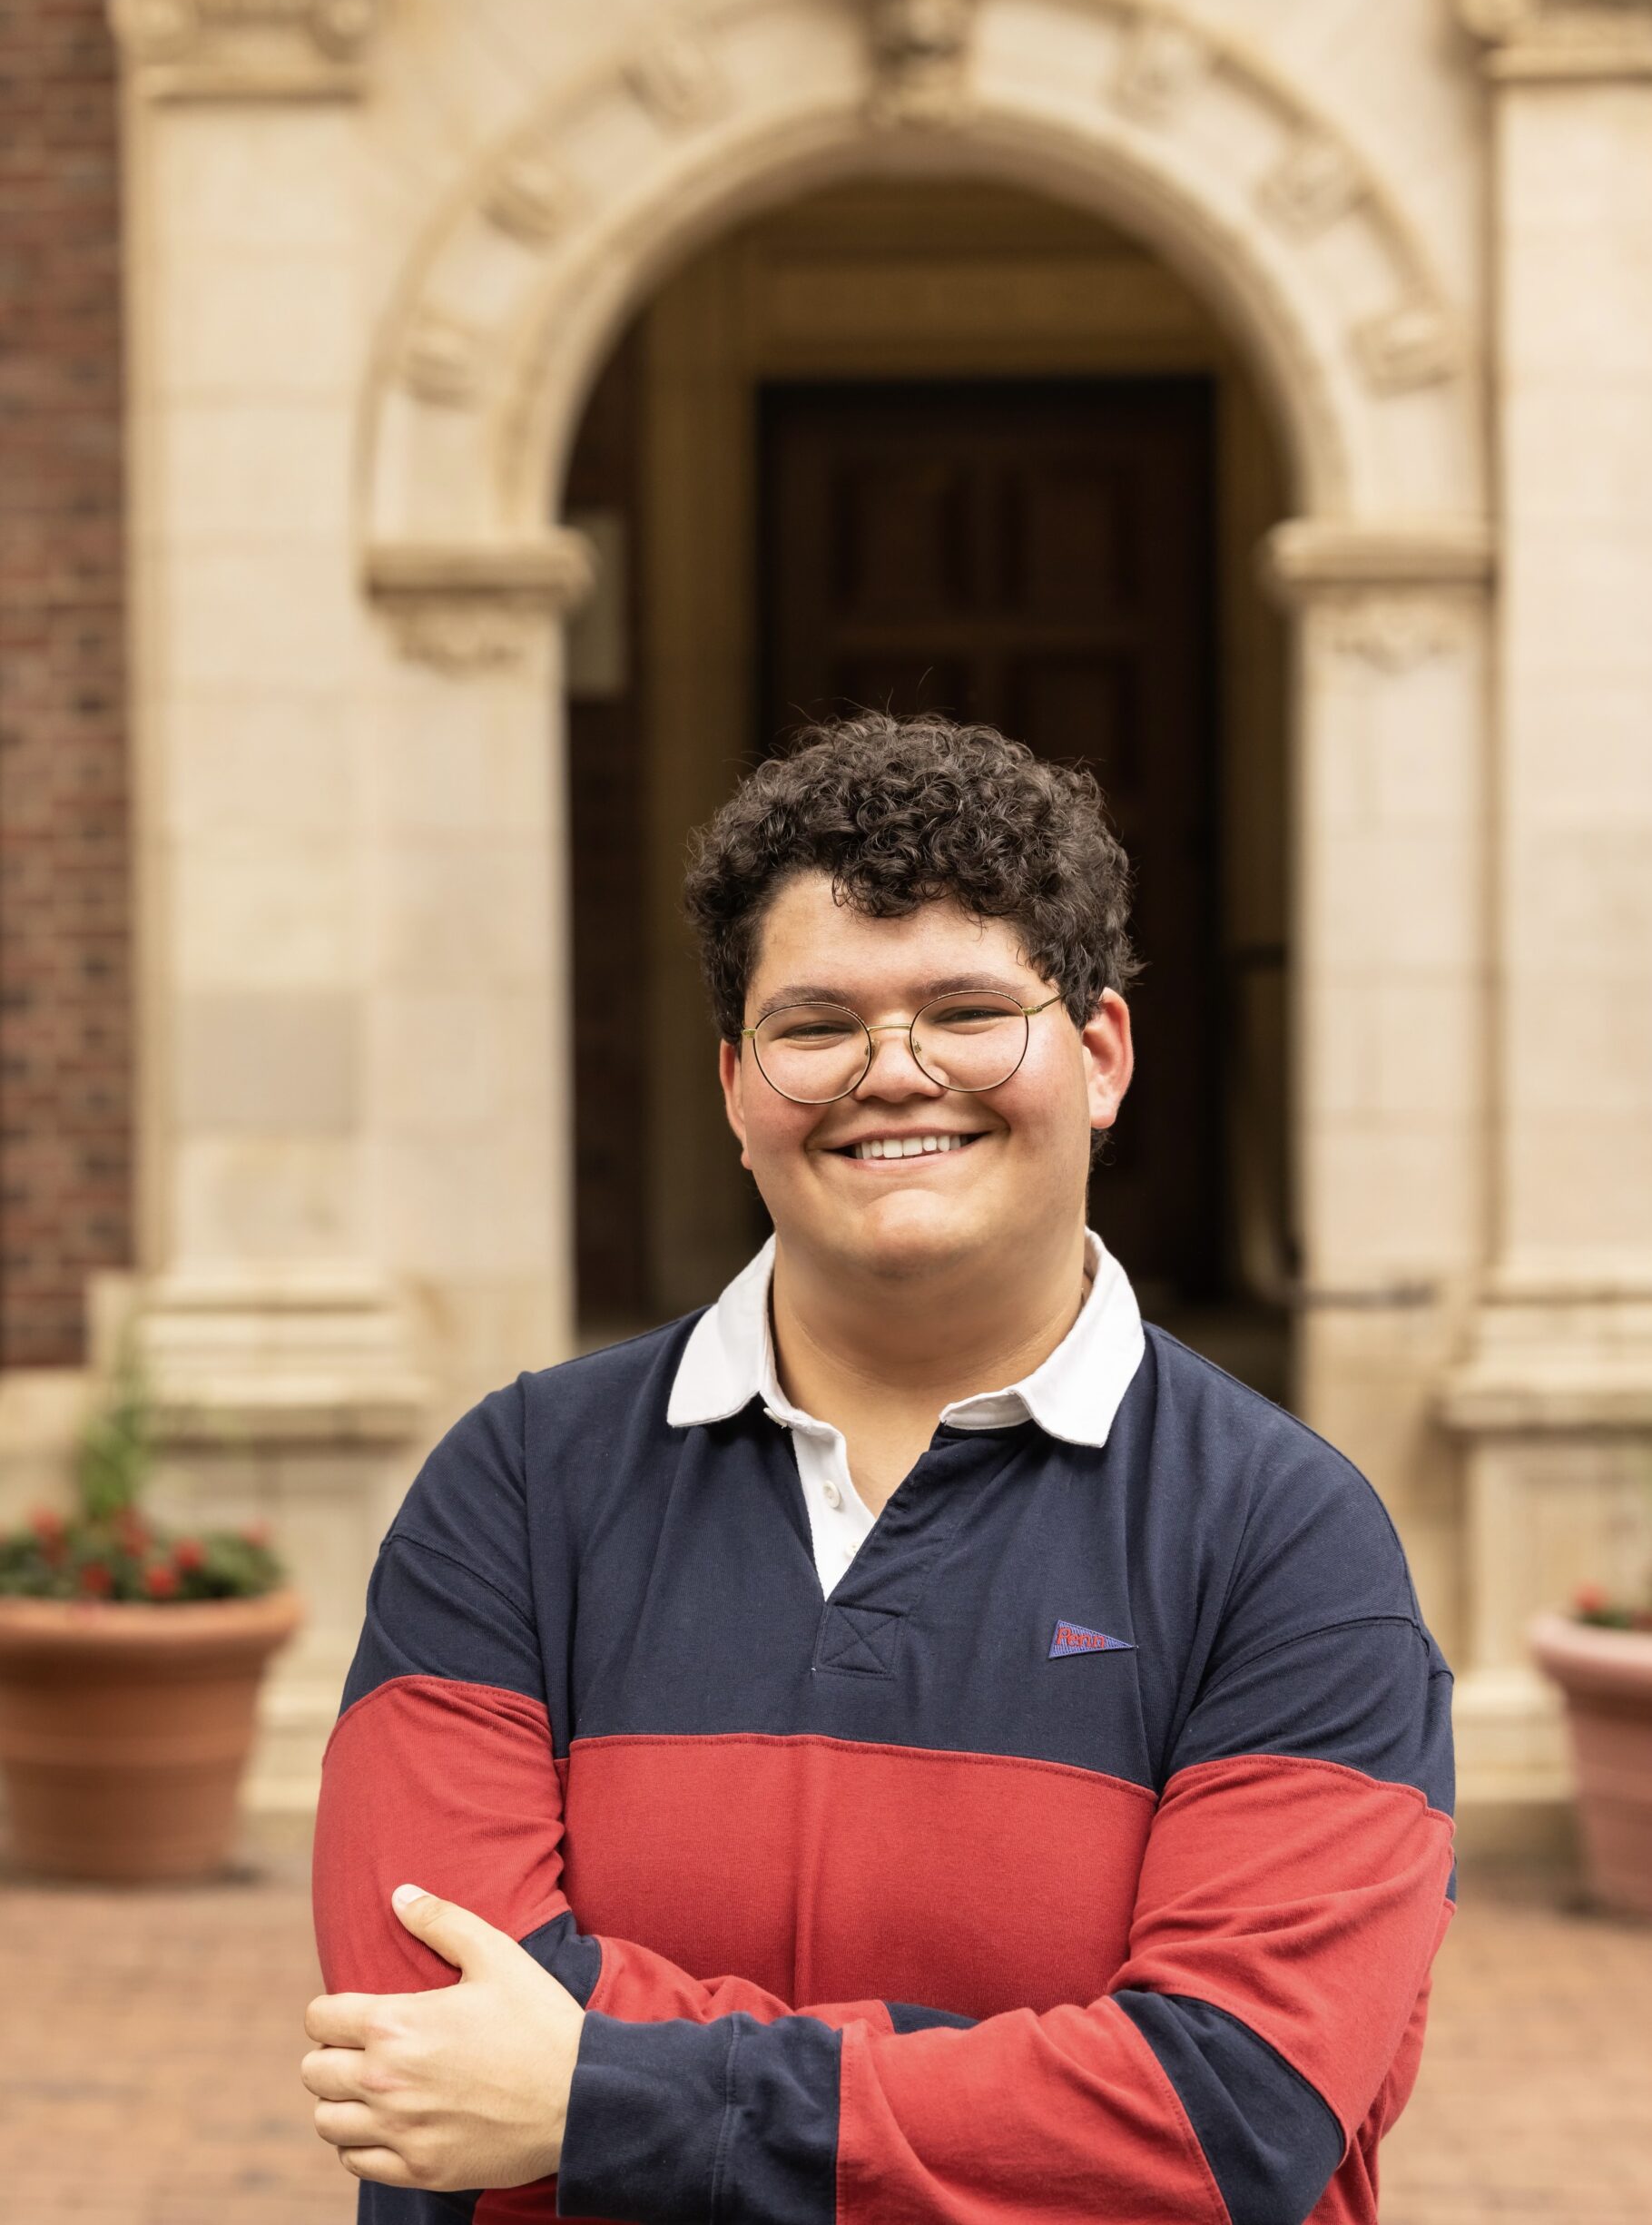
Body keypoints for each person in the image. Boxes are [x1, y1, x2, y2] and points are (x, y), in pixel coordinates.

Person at [304, 713, 1455, 2225]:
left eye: (969, 1011)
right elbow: (424, 2011)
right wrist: (994, 2109)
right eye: (816, 1024)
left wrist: (595, 2097)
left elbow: (1224, 2112)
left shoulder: (1284, 1541)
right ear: (736, 1085)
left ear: (1100, 1055)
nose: (893, 1074)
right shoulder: (521, 1488)